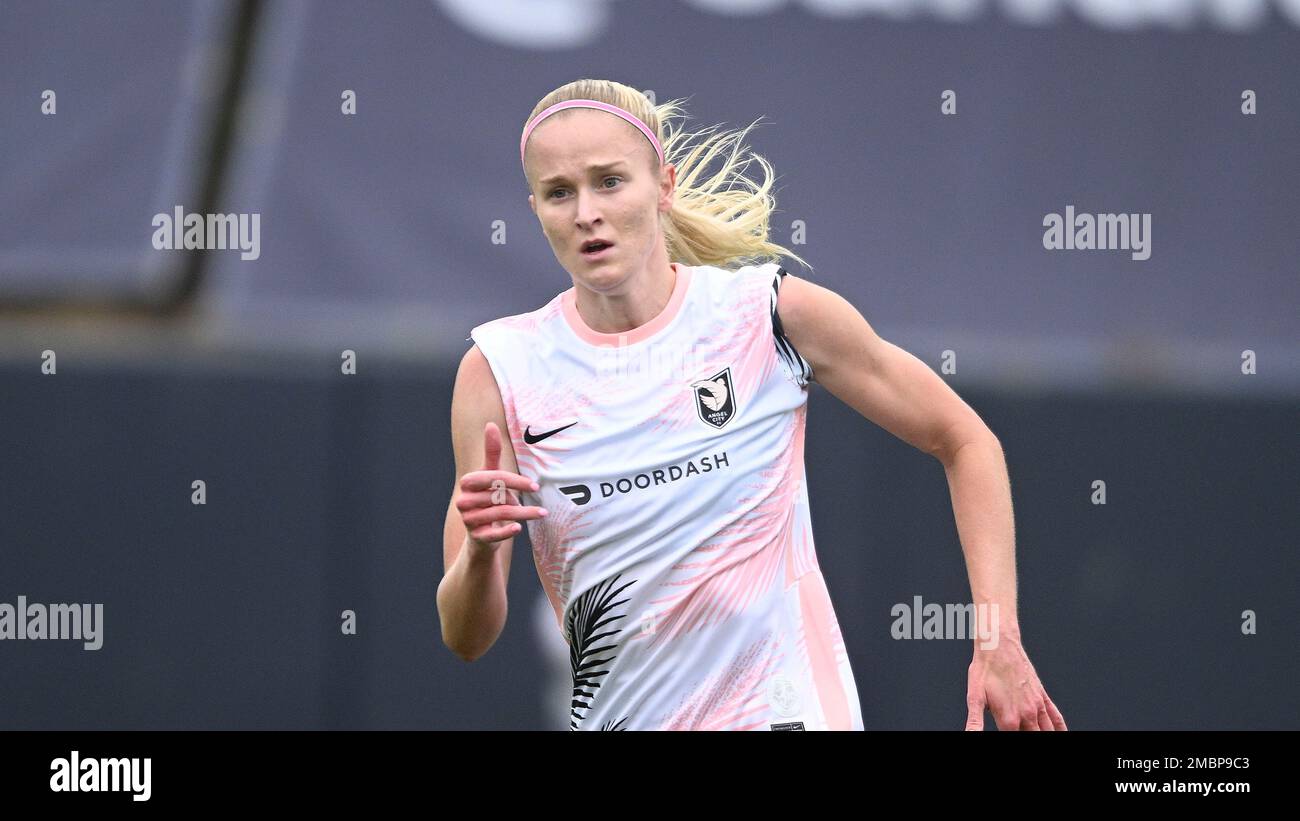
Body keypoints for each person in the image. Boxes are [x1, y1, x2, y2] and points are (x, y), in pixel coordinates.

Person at [437, 78, 1066, 731]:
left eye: (610, 181)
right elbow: (466, 636)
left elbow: (965, 440)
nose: (586, 212)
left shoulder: (767, 314)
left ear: (664, 185)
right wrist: (479, 553)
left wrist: (998, 638)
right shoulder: (500, 368)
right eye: (559, 192)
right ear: (535, 208)